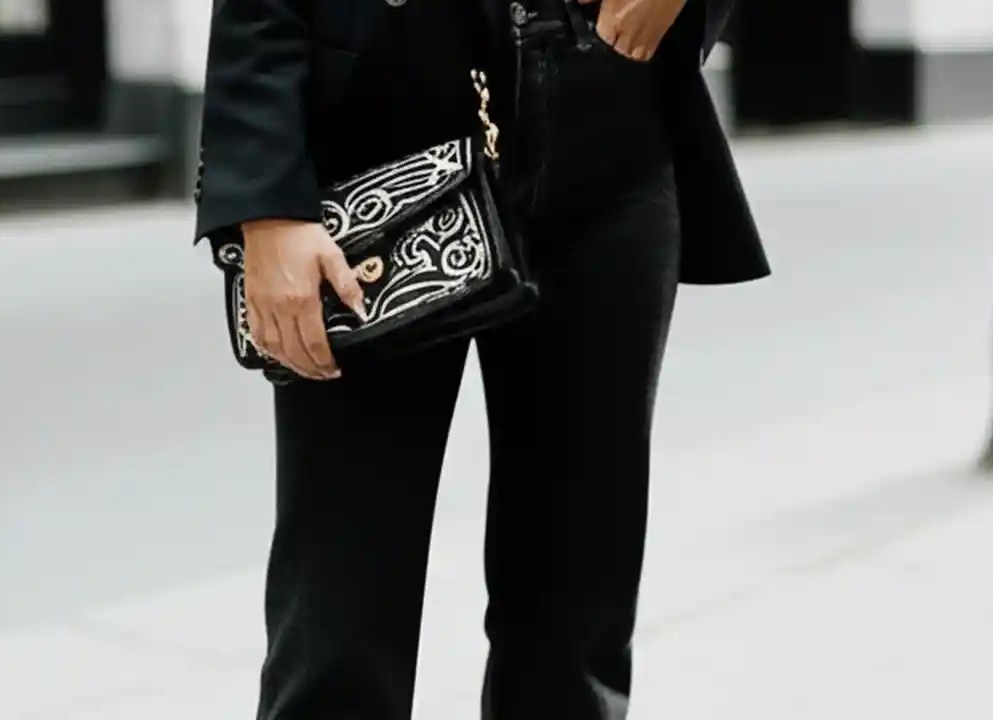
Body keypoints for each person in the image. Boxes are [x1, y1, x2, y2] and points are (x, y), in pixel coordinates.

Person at [193, 0, 769, 718]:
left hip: (612, 119)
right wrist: (270, 208)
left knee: (574, 617)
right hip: (377, 153)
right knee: (338, 618)